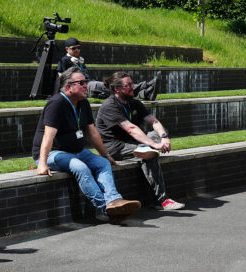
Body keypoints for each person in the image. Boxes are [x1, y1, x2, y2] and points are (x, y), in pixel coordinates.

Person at [34, 67, 142, 224]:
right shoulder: (56, 104)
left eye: (86, 82)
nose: (86, 85)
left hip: (76, 151)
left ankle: (115, 200)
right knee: (80, 167)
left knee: (103, 163)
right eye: (82, 82)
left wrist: (106, 155)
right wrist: (42, 163)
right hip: (53, 154)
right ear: (68, 87)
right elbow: (48, 136)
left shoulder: (83, 103)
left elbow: (92, 133)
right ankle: (106, 208)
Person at [95, 72, 185, 210]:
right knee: (149, 152)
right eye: (128, 85)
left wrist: (164, 137)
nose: (133, 87)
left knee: (155, 136)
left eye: (132, 83)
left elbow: (153, 121)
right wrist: (154, 145)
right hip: (114, 147)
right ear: (117, 89)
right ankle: (161, 200)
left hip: (131, 142)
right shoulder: (110, 106)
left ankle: (148, 150)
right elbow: (130, 128)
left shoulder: (133, 102)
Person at [57, 37, 158, 101]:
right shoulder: (64, 60)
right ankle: (146, 85)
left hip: (90, 84)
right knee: (114, 86)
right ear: (67, 49)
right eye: (74, 48)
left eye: (78, 48)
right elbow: (61, 78)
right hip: (83, 86)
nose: (77, 50)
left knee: (116, 89)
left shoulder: (80, 60)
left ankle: (145, 94)